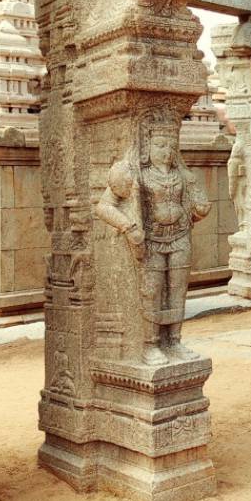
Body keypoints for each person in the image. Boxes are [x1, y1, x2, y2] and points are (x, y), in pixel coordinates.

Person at [96, 112, 210, 365]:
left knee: (177, 291)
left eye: (171, 145)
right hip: (152, 241)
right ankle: (150, 345)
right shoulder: (134, 173)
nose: (166, 151)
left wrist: (198, 209)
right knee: (152, 292)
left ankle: (175, 341)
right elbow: (104, 207)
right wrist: (128, 226)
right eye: (160, 145)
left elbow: (199, 203)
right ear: (147, 146)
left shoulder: (182, 175)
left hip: (179, 237)